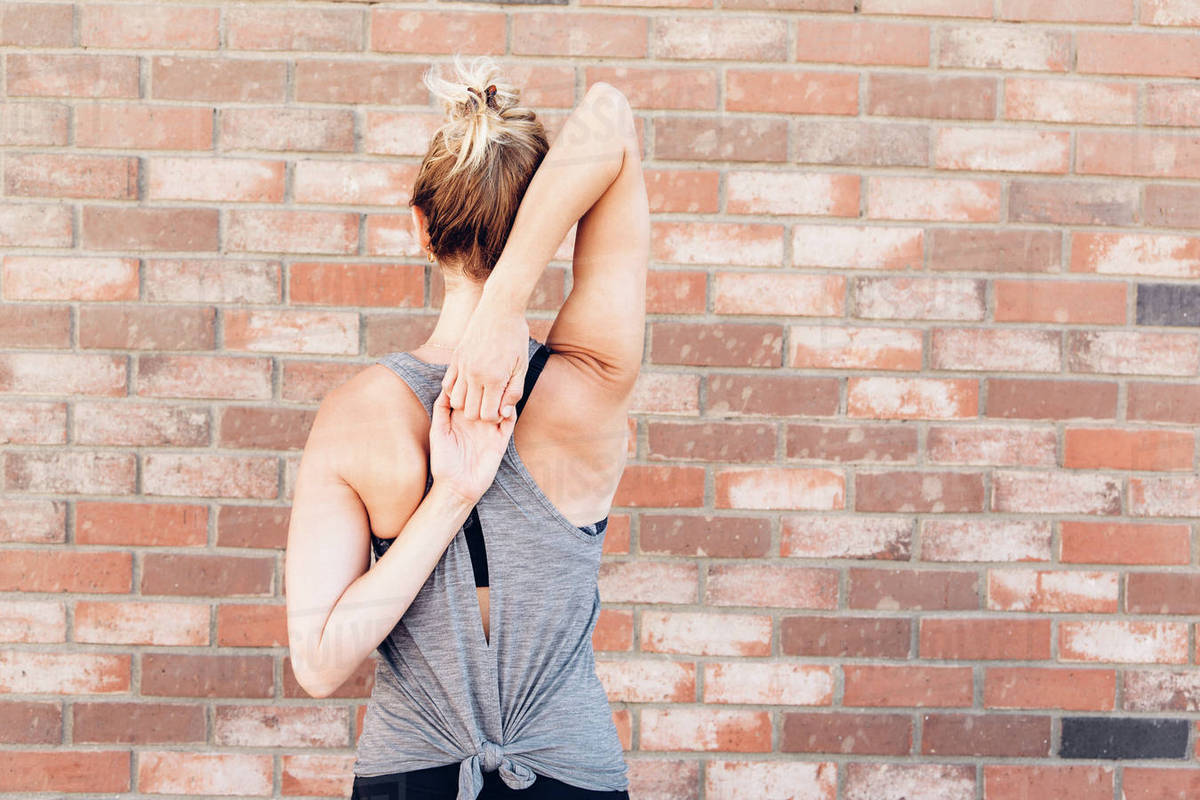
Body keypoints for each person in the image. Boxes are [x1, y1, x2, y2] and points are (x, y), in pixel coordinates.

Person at [284, 52, 649, 800]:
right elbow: (610, 114)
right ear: (544, 223)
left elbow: (319, 665)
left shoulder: (358, 414)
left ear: (421, 226)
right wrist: (454, 487)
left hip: (411, 777)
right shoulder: (590, 382)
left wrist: (445, 498)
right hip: (571, 775)